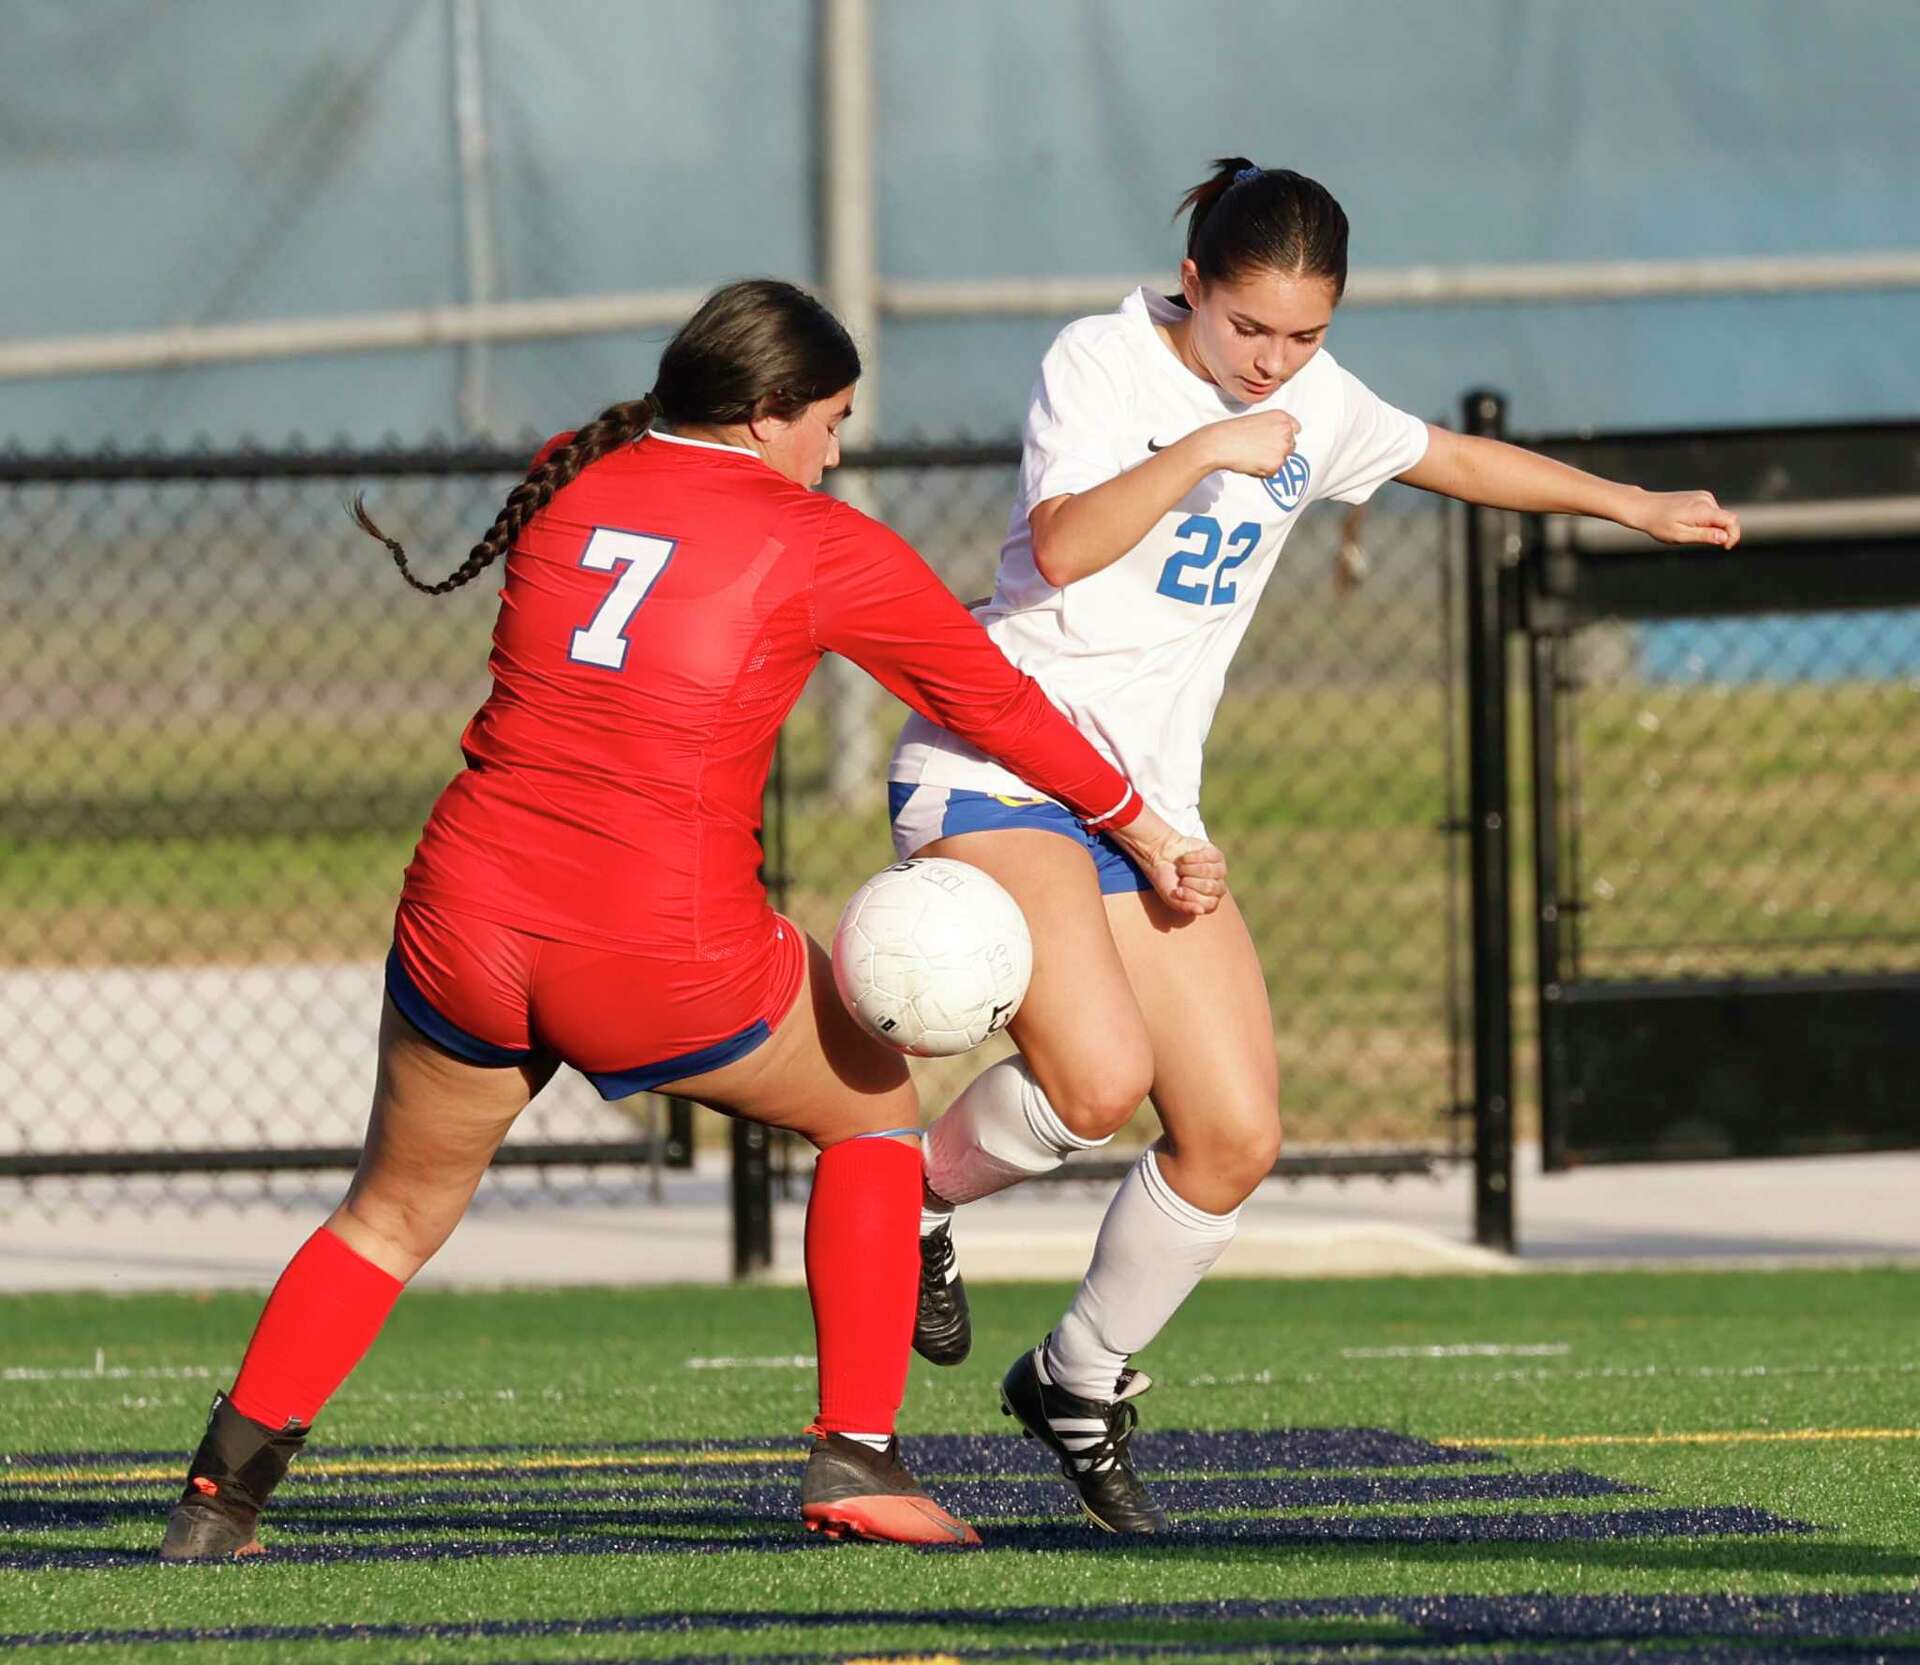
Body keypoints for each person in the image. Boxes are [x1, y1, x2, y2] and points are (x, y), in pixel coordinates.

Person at [158, 278, 1224, 1561]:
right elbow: (994, 704)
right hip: (652, 941)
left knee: (385, 1217)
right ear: (769, 413)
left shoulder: (575, 465)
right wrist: (1144, 824)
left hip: (469, 916)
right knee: (876, 1107)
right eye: (829, 419)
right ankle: (858, 1460)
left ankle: (220, 1501)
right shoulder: (819, 542)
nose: (837, 448)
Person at [890, 159, 1743, 1532]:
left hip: (1157, 805)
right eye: (1250, 331)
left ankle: (1076, 1378)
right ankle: (909, 1203)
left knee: (1233, 1138)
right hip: (1006, 769)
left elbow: (1449, 458)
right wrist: (1202, 451)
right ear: (1193, 287)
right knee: (1096, 1080)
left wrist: (1627, 503)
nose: (1275, 361)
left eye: (1306, 337)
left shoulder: (1312, 399)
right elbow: (1052, 548)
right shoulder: (1102, 362)